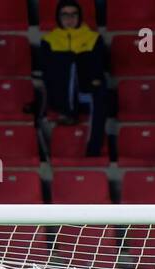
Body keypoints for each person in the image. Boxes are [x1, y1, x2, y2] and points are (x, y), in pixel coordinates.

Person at [39, 1, 108, 156]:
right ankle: (68, 111)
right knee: (66, 66)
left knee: (100, 91)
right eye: (65, 14)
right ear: (58, 17)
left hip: (84, 90)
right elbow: (46, 69)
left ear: (79, 16)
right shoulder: (49, 40)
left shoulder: (93, 38)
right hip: (59, 93)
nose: (69, 18)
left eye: (73, 14)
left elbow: (98, 66)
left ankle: (93, 148)